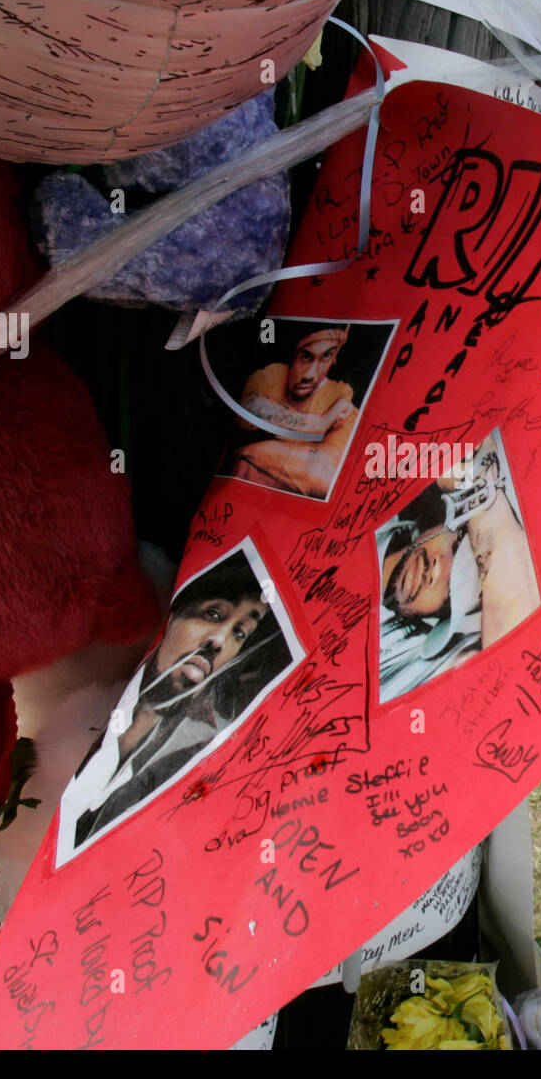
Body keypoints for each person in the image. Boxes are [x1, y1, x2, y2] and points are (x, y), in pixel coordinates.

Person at [66, 553, 275, 849]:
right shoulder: (81, 714)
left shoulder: (197, 761)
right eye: (214, 614)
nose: (218, 641)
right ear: (176, 614)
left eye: (239, 633)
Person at [378, 433, 539, 702]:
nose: (439, 571)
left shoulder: (411, 655)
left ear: (440, 619)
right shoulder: (378, 497)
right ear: (440, 520)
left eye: (452, 594)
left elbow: (511, 655)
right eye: (456, 546)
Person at [225, 325, 357, 498]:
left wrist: (245, 452)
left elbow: (324, 475)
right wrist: (320, 423)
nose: (310, 375)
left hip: (291, 517)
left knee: (244, 466)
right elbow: (247, 407)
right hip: (235, 506)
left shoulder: (341, 398)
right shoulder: (272, 376)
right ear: (292, 355)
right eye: (306, 357)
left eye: (326, 356)